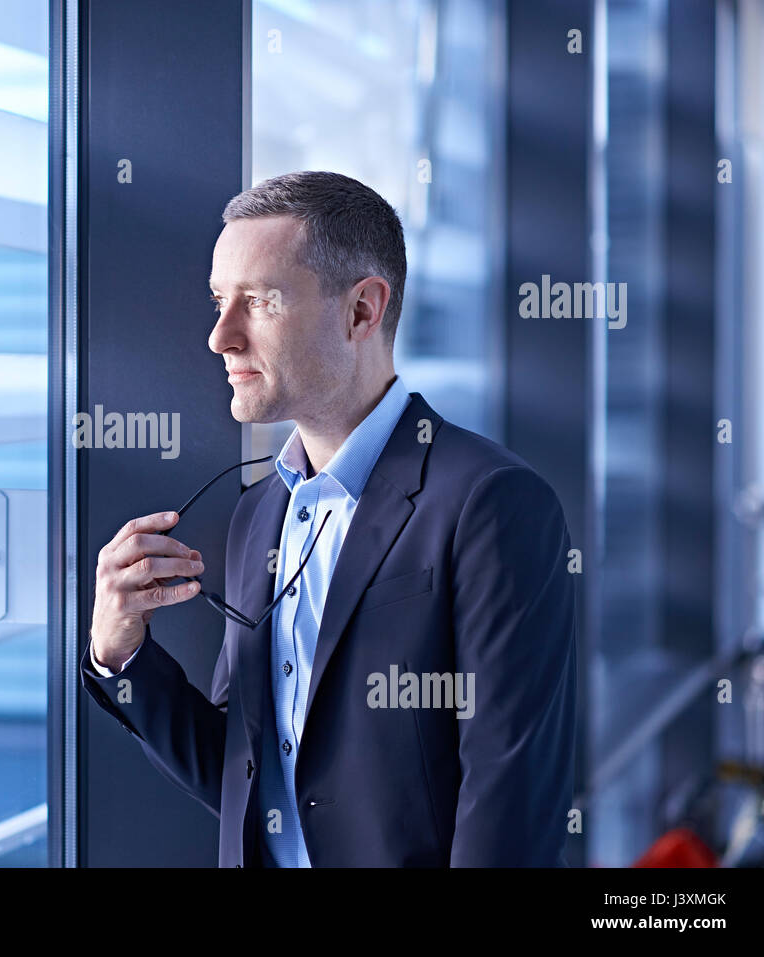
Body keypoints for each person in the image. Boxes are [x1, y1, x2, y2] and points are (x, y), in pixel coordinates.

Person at [83, 170, 577, 866]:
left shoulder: (491, 503)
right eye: (221, 301)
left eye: (258, 301)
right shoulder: (260, 513)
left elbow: (510, 804)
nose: (220, 336)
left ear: (361, 312)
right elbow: (245, 778)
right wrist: (122, 654)